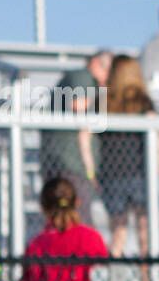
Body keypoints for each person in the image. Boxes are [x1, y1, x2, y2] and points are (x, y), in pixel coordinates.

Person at [96, 55, 157, 281]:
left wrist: (95, 173)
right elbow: (155, 138)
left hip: (112, 175)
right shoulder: (142, 102)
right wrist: (156, 167)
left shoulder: (104, 101)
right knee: (144, 233)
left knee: (118, 233)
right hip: (139, 173)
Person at [38, 50, 113, 226]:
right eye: (108, 69)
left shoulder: (83, 79)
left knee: (64, 221)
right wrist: (103, 91)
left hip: (66, 163)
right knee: (78, 221)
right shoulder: (83, 77)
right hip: (71, 164)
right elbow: (79, 107)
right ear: (96, 63)